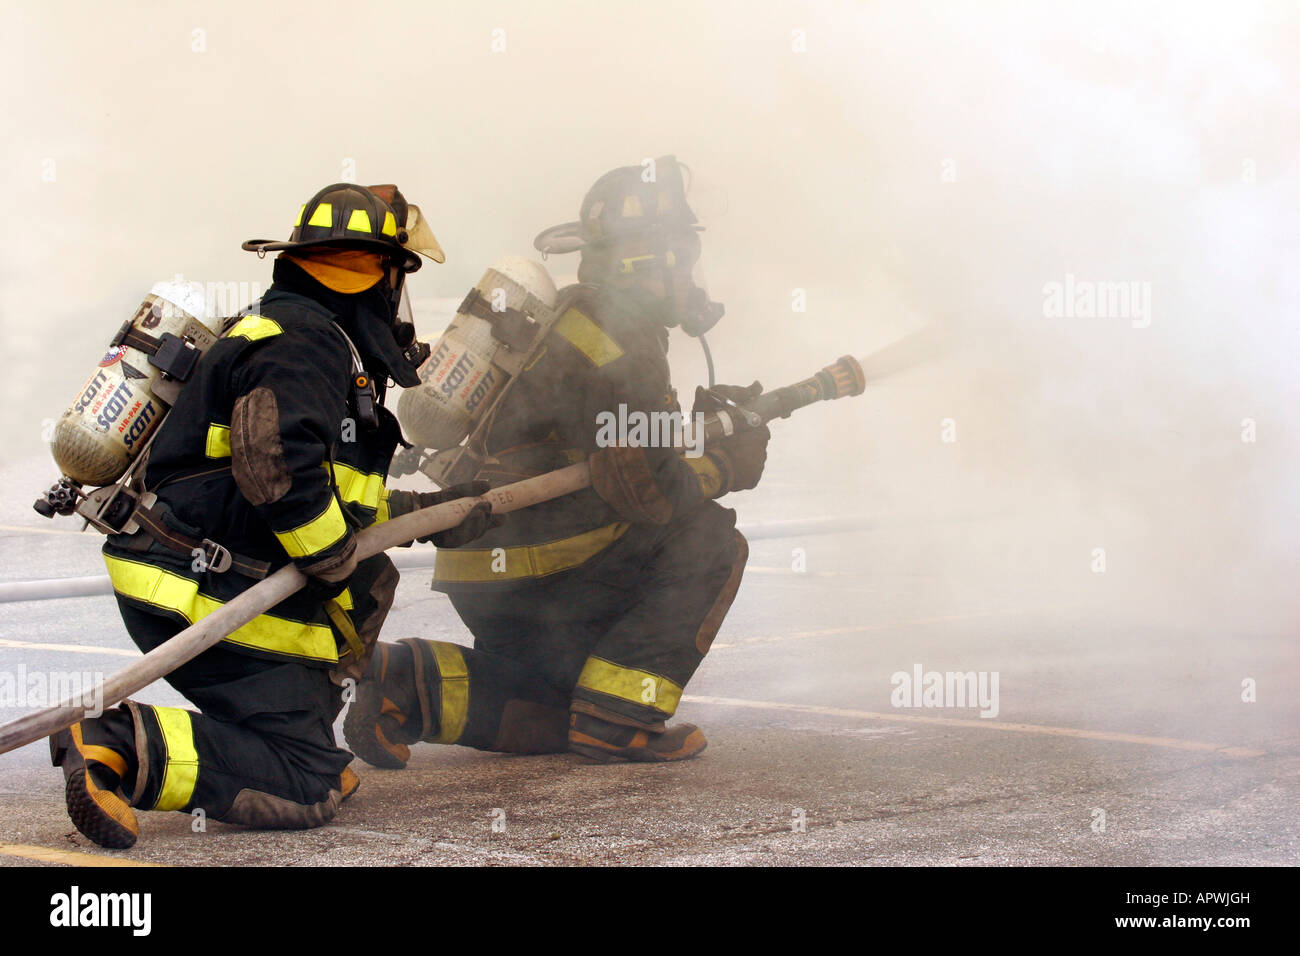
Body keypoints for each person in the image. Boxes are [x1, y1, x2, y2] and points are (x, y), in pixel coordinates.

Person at [49, 183, 496, 848]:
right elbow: (275, 462)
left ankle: (297, 748)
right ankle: (116, 740)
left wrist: (433, 514)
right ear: (378, 271)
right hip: (205, 587)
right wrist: (330, 559)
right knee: (302, 782)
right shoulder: (306, 343)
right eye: (398, 276)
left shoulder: (301, 333)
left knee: (311, 738)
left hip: (195, 572)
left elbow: (332, 495)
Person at [346, 156, 770, 765]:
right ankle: (621, 719)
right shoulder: (621, 332)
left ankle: (404, 682)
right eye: (682, 252)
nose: (690, 271)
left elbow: (605, 444)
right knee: (710, 538)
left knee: (550, 703)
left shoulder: (568, 316)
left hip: (487, 567)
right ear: (651, 257)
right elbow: (645, 487)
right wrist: (725, 466)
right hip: (543, 562)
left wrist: (686, 435)